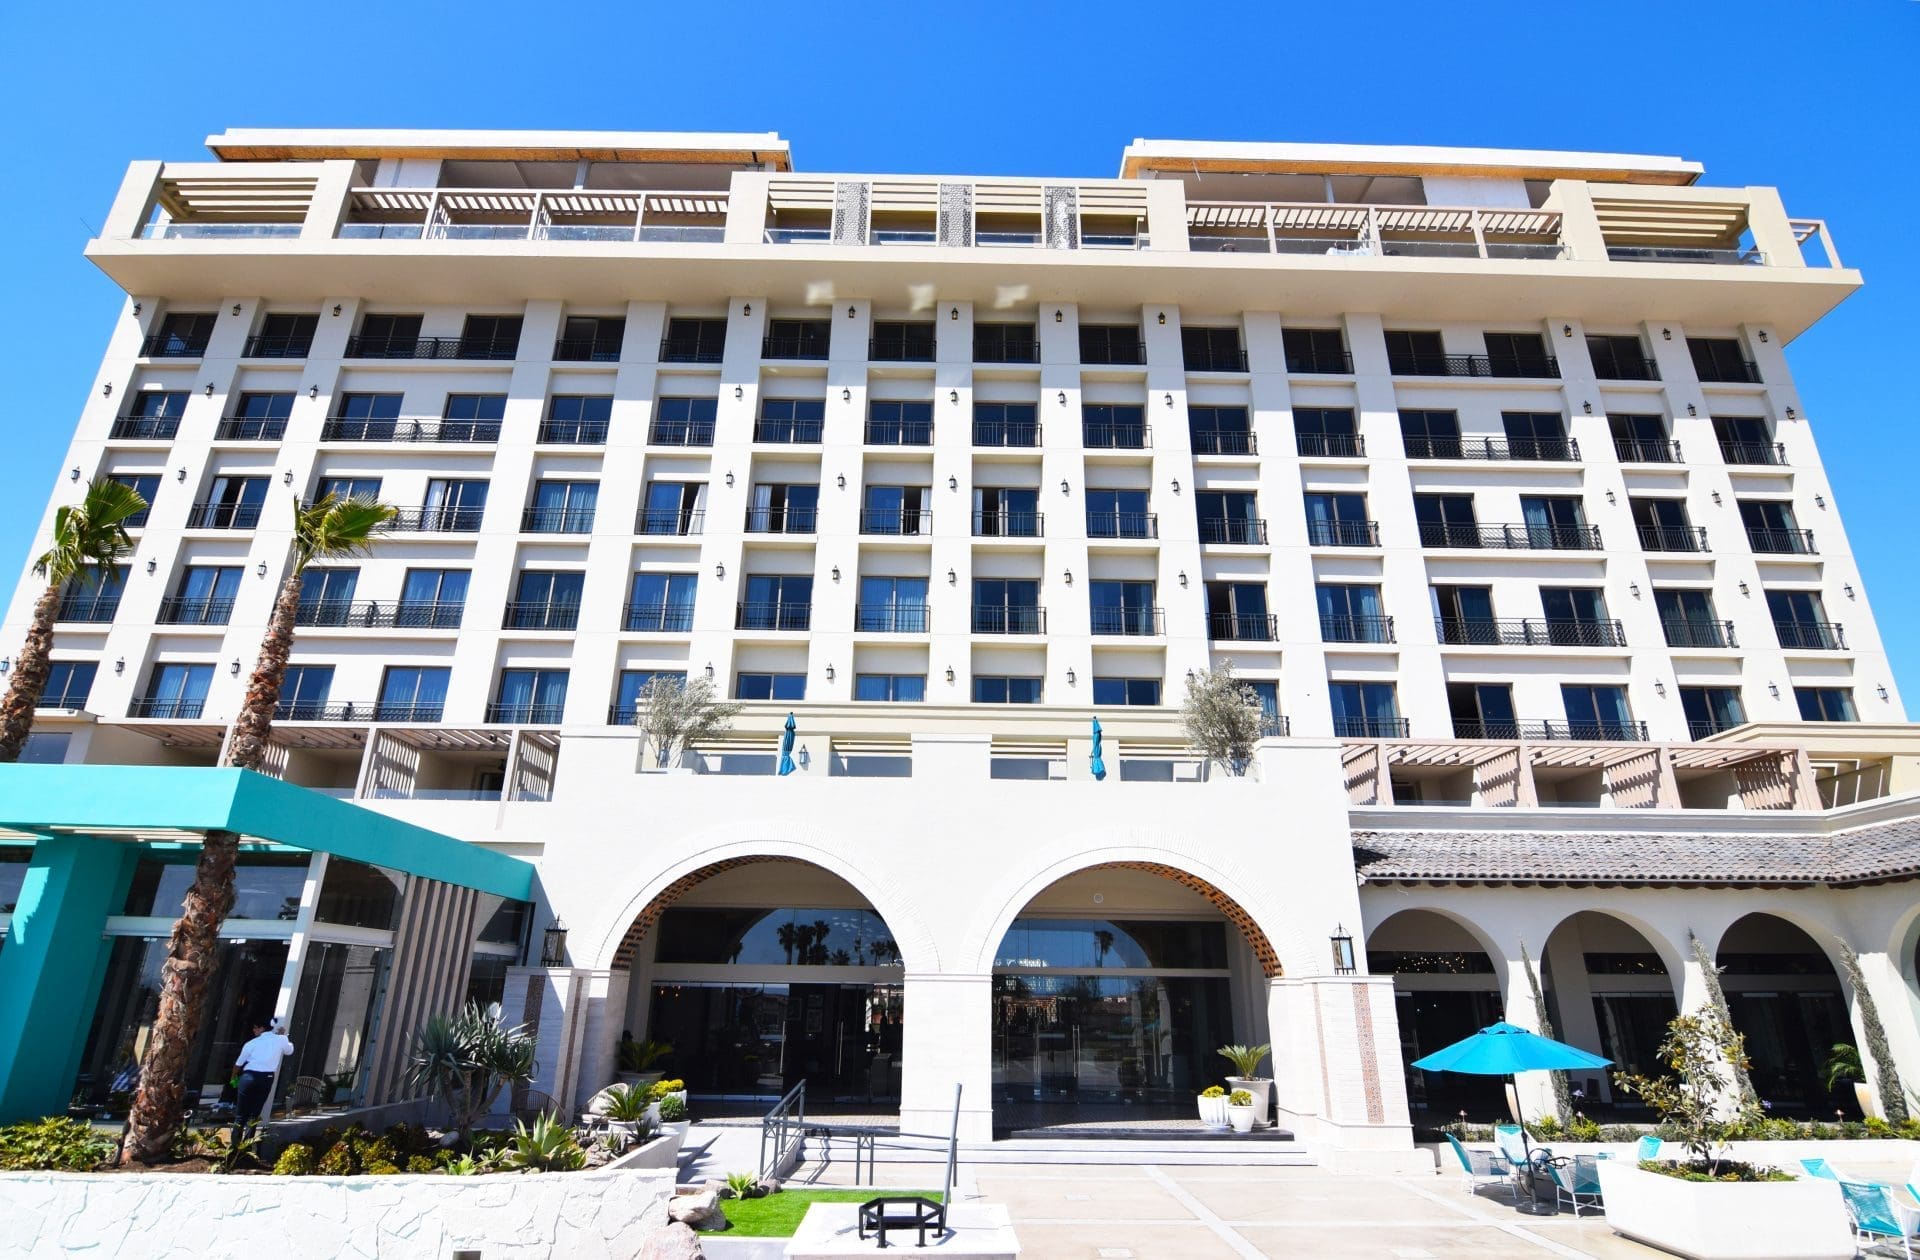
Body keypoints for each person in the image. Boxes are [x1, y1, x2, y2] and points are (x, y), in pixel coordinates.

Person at [232, 1018, 295, 1134]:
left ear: (262, 1029)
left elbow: (238, 1064)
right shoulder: (280, 1039)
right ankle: (247, 1146)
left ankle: (235, 1148)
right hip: (266, 1078)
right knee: (255, 1113)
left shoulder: (252, 1043)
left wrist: (233, 1077)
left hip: (248, 1076)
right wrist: (284, 1036)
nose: (254, 1030)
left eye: (256, 1027)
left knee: (241, 1114)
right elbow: (289, 1051)